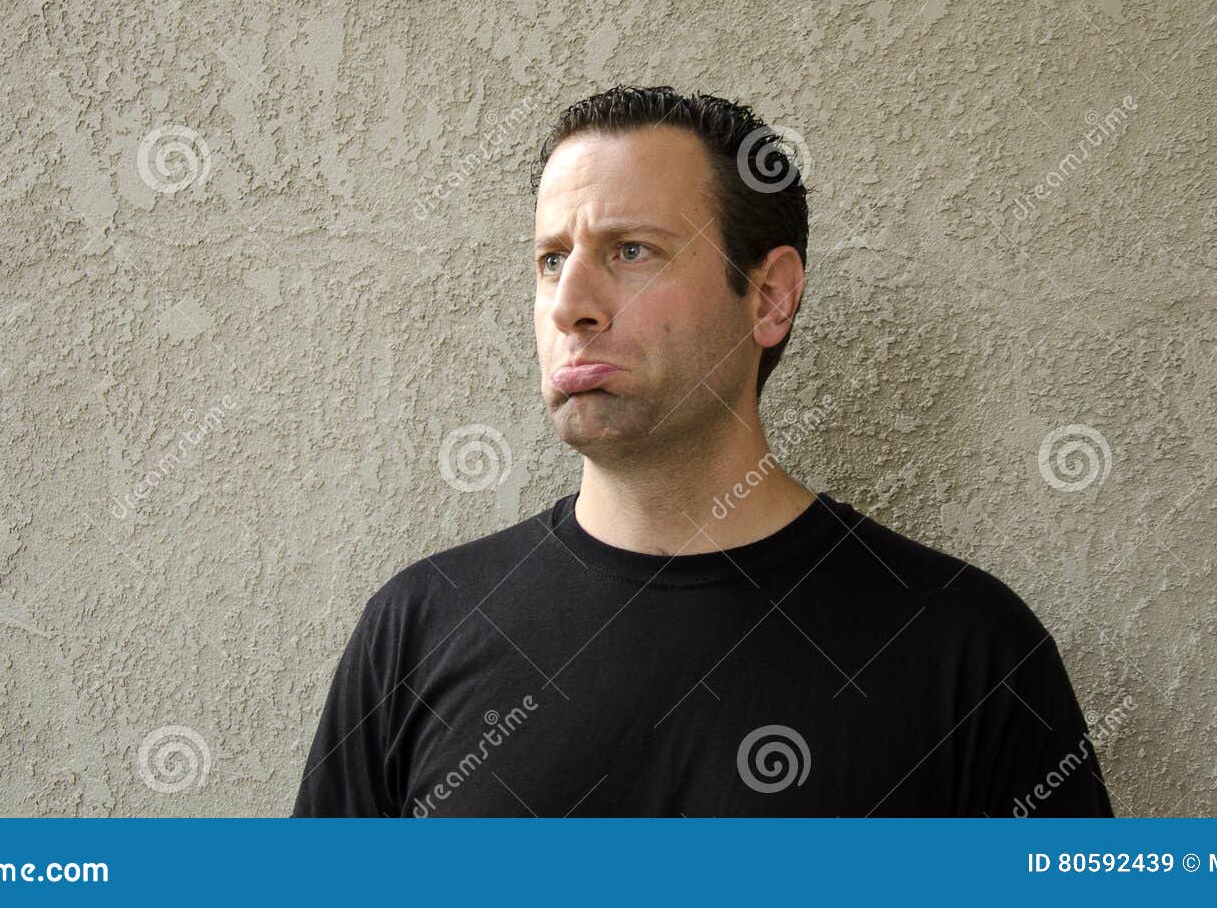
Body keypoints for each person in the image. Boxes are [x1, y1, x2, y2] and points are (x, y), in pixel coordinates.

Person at [292, 85, 1114, 817]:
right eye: (552, 260)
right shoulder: (419, 627)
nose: (570, 304)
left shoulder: (962, 649)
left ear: (768, 297)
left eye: (631, 252)